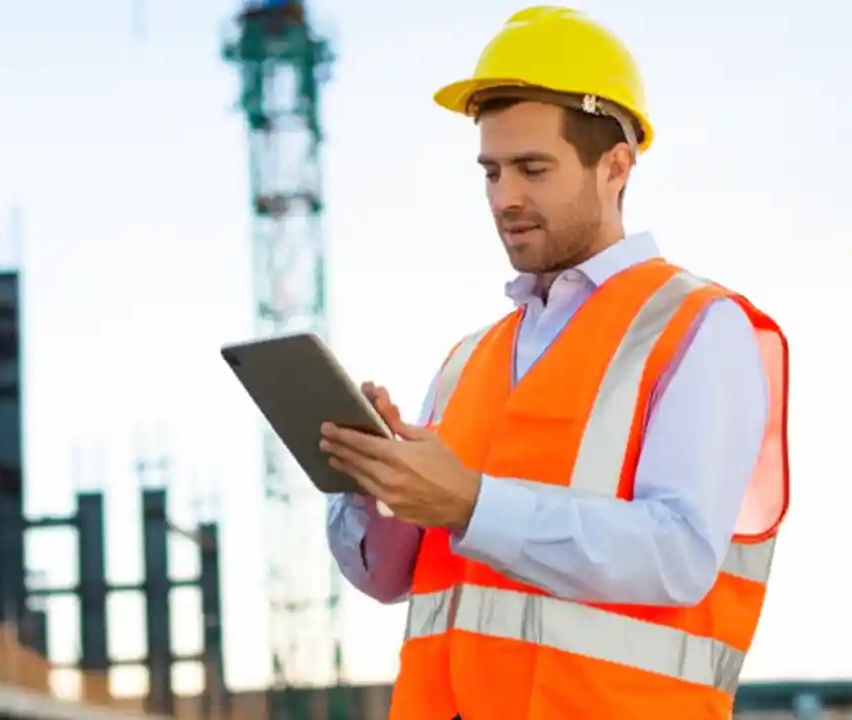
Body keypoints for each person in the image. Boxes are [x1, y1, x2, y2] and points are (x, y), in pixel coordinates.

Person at [318, 6, 789, 720]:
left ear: (616, 167)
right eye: (492, 171)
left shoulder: (699, 328)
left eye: (533, 169)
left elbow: (681, 556)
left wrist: (470, 503)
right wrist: (372, 489)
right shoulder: (468, 360)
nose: (505, 197)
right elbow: (391, 579)